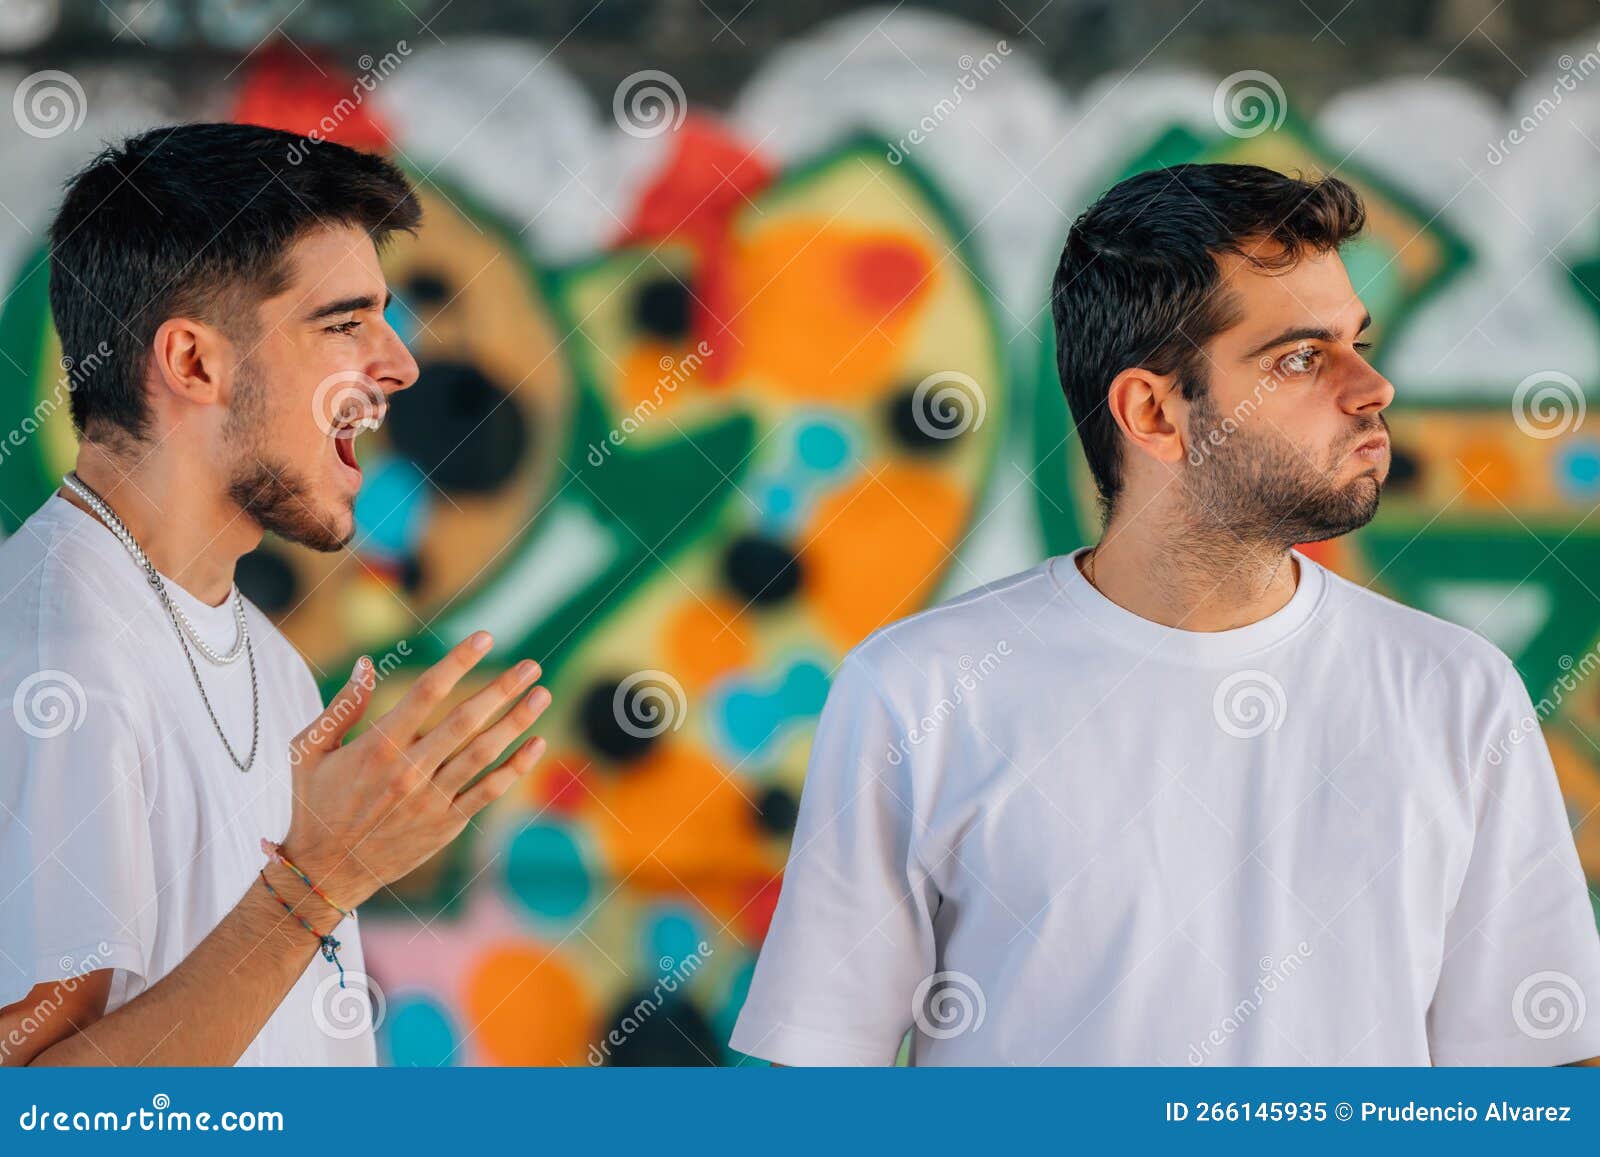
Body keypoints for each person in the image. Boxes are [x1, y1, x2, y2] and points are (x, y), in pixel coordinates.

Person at [730, 163, 1600, 1066]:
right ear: (1152, 410)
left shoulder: (1457, 693)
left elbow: (1541, 1079)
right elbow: (817, 1080)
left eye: (1358, 342)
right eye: (1301, 357)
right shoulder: (921, 691)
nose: (1371, 387)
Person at [0, 123, 552, 1065]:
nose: (400, 364)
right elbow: (36, 1104)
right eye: (343, 323)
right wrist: (315, 881)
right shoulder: (57, 657)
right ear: (194, 364)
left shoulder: (274, 664)